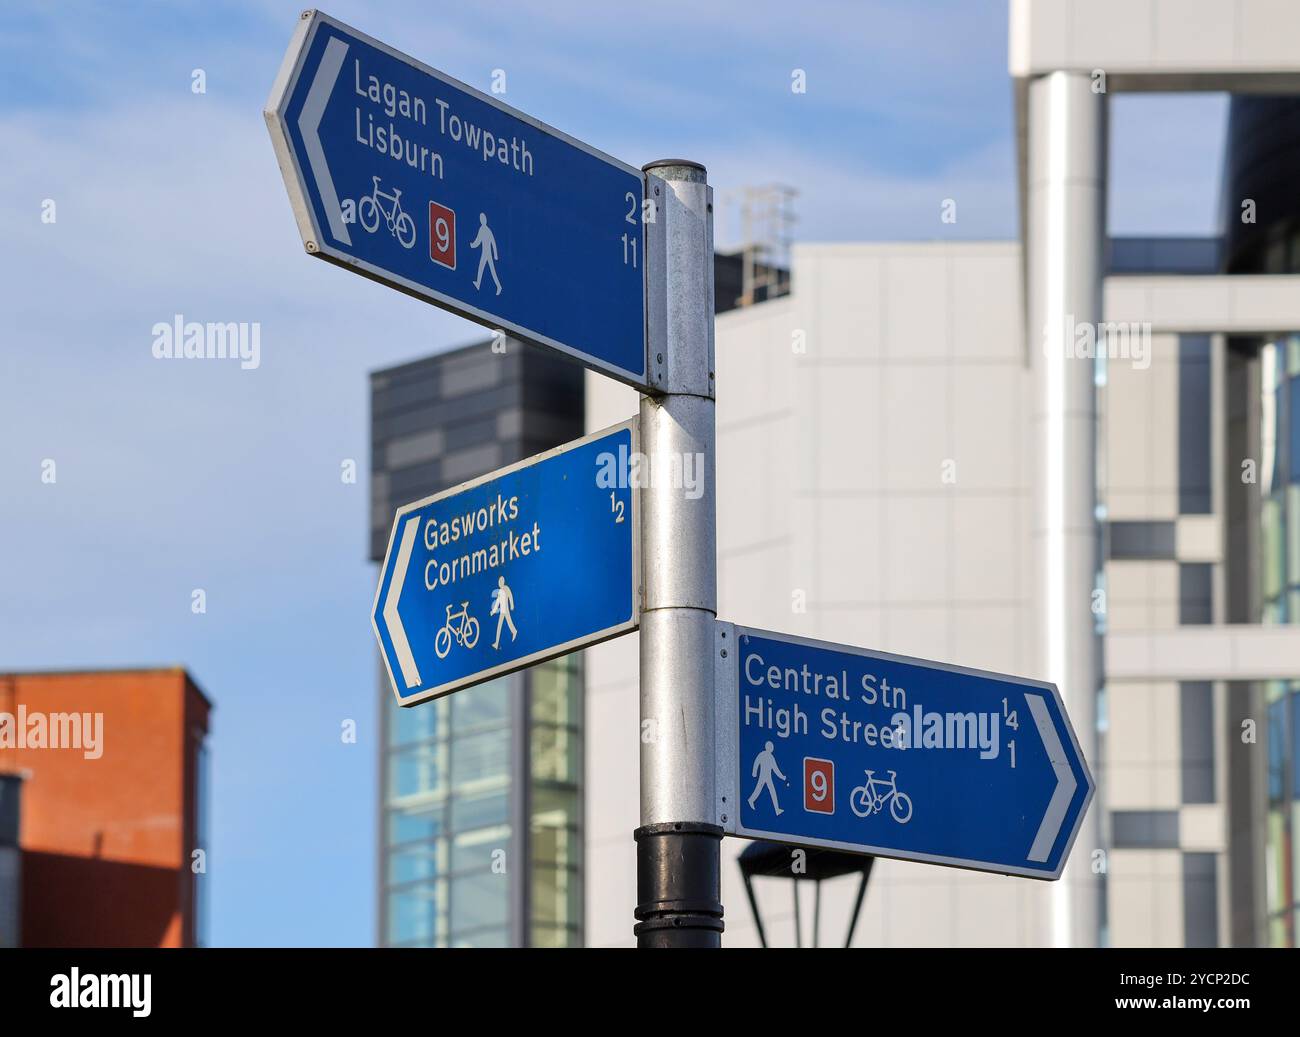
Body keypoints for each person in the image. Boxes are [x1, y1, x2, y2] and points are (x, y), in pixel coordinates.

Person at [747, 740, 786, 815]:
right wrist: (754, 772)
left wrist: (782, 777)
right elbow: (756, 762)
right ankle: (751, 800)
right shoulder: (763, 755)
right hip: (763, 776)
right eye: (771, 747)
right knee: (760, 789)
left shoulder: (771, 757)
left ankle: (777, 809)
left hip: (768, 777)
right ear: (768, 747)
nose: (772, 748)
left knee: (771, 791)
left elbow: (775, 769)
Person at [470, 212, 502, 295]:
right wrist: (473, 245)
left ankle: (498, 286)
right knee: (481, 267)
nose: (482, 220)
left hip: (488, 253)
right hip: (485, 252)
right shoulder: (483, 229)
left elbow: (493, 243)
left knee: (492, 270)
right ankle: (478, 283)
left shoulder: (486, 230)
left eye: (482, 219)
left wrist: (495, 255)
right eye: (481, 219)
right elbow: (478, 240)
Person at [489, 575, 516, 649]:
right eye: (499, 581)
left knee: (507, 623)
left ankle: (514, 631)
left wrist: (512, 605)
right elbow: (497, 602)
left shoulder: (506, 588)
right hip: (502, 611)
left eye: (501, 581)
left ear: (503, 581)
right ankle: (497, 643)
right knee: (502, 625)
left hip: (506, 610)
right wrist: (493, 611)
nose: (500, 582)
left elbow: (510, 596)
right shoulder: (500, 591)